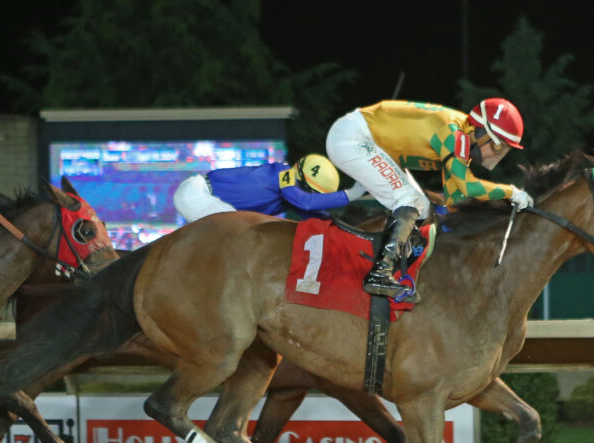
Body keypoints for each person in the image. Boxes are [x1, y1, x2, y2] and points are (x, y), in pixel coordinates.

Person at [325, 98, 533, 298]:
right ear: (481, 132)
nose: (495, 155)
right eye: (497, 147)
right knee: (410, 201)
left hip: (366, 140)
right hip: (354, 138)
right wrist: (511, 193)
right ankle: (380, 273)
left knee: (422, 207)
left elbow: (455, 198)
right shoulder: (452, 134)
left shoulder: (460, 139)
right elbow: (469, 187)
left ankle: (394, 268)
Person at [173, 153, 365, 224]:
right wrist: (351, 194)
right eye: (315, 192)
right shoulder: (284, 174)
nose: (314, 197)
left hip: (206, 199)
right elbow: (306, 203)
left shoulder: (291, 192)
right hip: (196, 194)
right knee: (239, 229)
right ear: (304, 182)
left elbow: (321, 217)